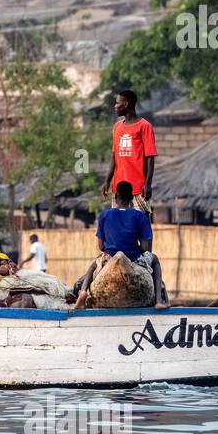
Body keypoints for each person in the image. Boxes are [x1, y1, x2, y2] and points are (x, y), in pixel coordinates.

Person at [74, 181, 167, 310]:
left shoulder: (104, 215)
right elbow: (146, 249)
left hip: (109, 257)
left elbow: (101, 246)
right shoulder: (140, 216)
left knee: (93, 266)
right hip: (133, 258)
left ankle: (83, 292)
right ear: (131, 198)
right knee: (155, 260)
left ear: (116, 196)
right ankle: (158, 300)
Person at [100, 89, 157, 218]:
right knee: (119, 227)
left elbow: (150, 157)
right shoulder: (117, 127)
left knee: (142, 226)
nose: (115, 106)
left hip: (138, 188)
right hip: (119, 190)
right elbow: (114, 156)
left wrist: (148, 184)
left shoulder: (144, 126)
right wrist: (107, 181)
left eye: (117, 103)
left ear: (125, 104)